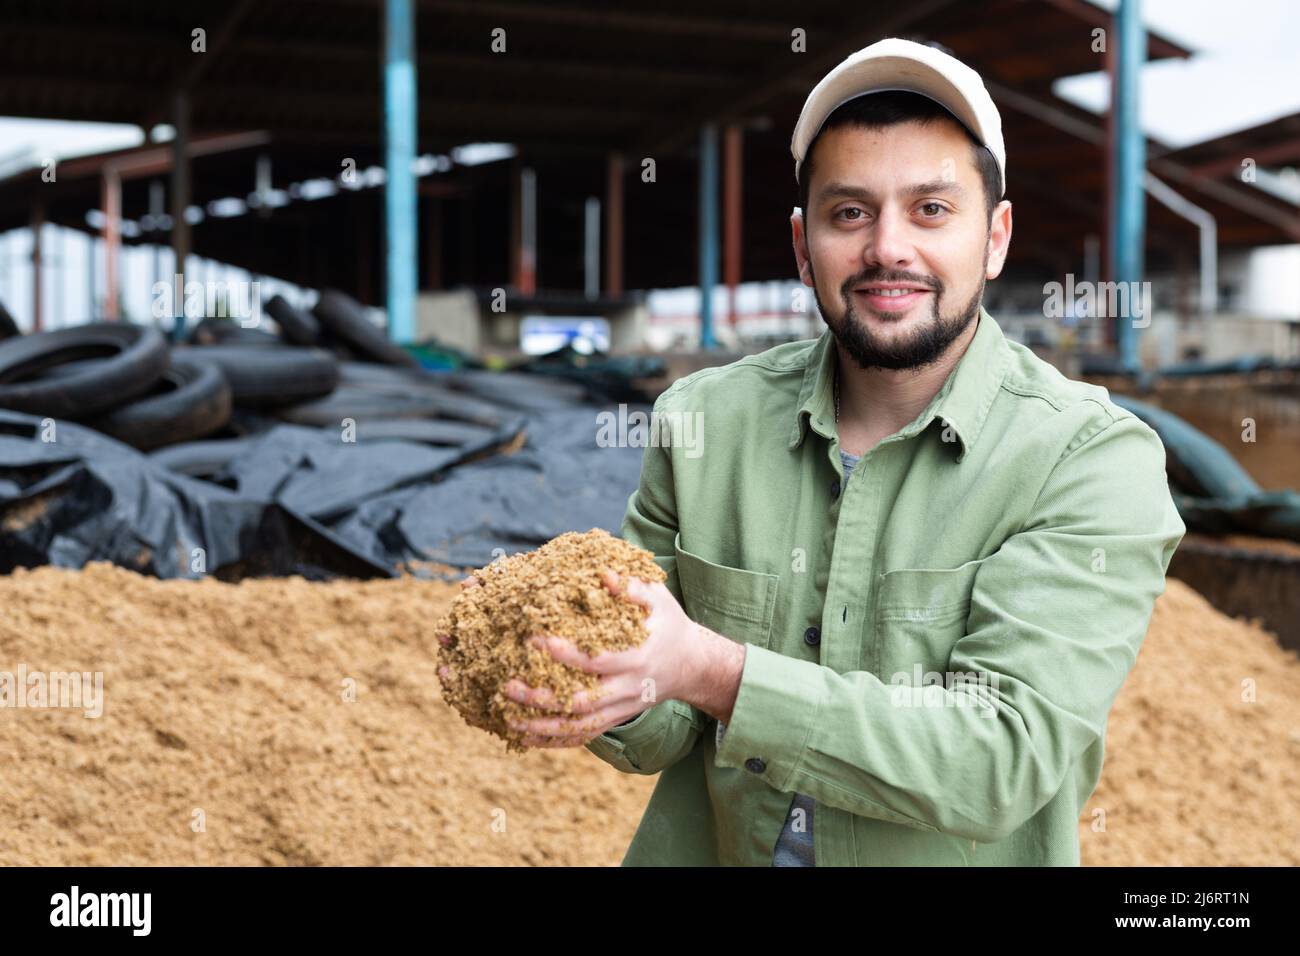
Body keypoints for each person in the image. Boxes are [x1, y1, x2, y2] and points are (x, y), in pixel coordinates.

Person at [473, 37, 1186, 866]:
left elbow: (1001, 760)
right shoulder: (704, 422)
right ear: (804, 245)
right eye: (850, 212)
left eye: (931, 209)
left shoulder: (1090, 459)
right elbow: (665, 728)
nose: (888, 248)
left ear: (994, 237)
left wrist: (710, 668)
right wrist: (600, 675)